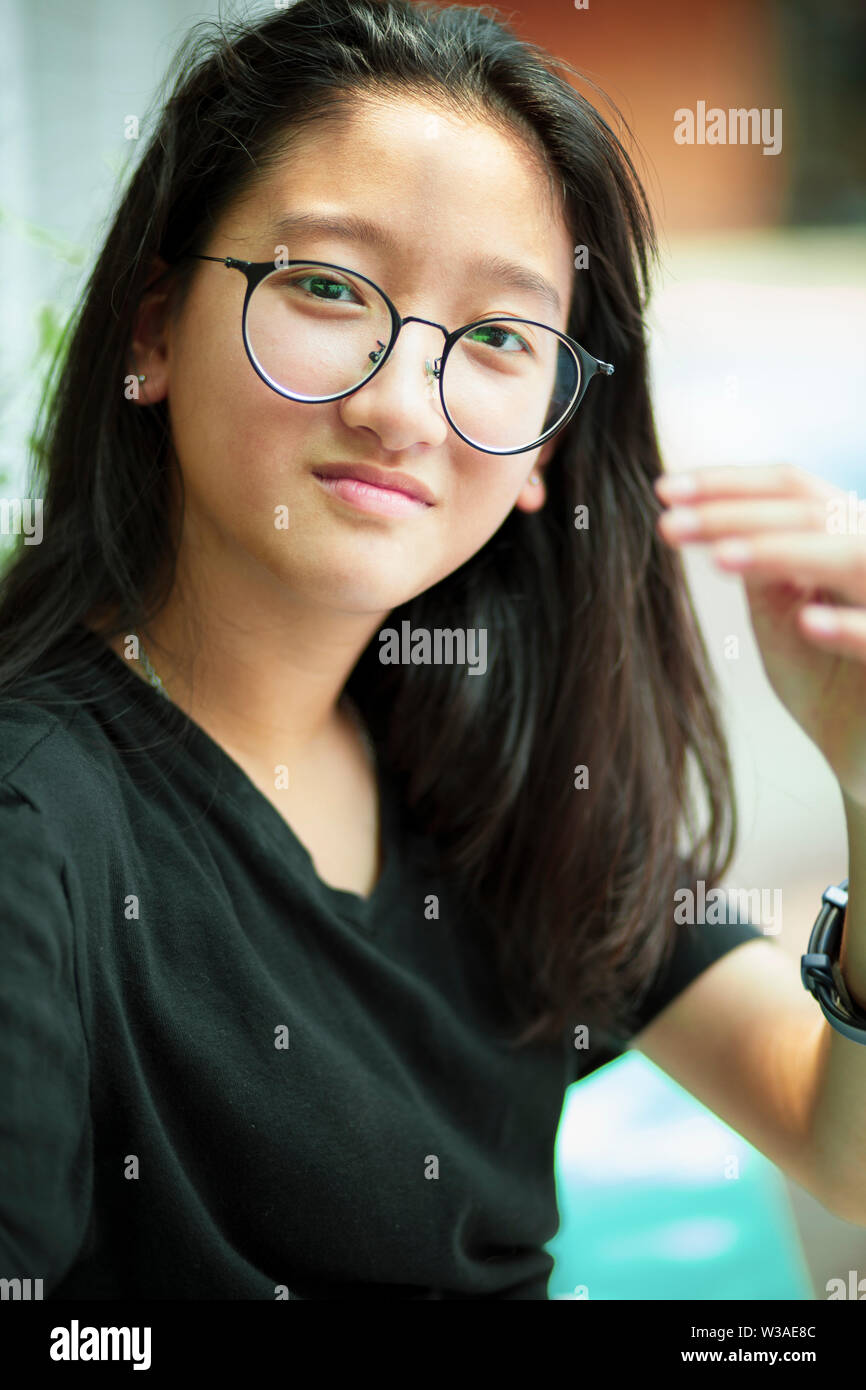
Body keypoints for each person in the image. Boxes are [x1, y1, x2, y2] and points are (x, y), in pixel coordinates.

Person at [1, 0, 864, 1301]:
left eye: (500, 338)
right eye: (328, 286)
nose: (401, 402)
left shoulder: (490, 763)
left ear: (547, 451)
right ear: (153, 329)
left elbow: (834, 1136)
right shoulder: (35, 821)